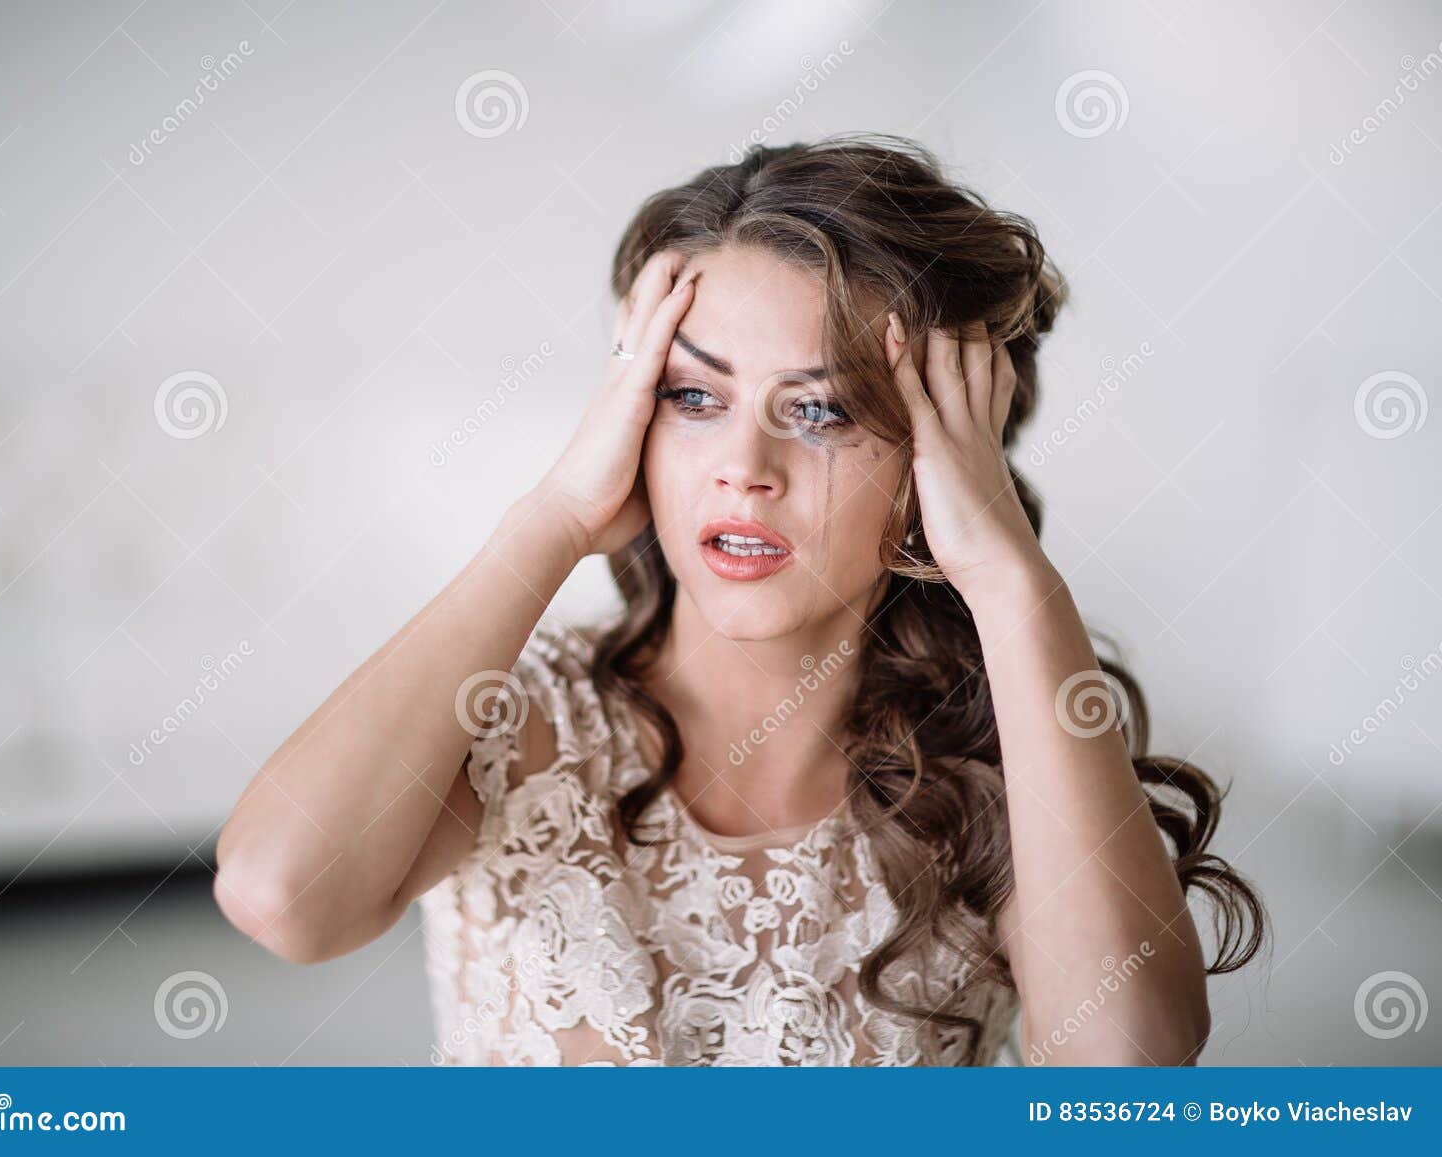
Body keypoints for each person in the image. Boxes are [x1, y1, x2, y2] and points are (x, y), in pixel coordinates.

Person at [213, 132, 1266, 1066]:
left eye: (821, 411)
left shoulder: (999, 767)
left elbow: (1128, 1069)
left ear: (941, 466)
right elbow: (279, 894)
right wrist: (553, 518)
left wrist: (1008, 576)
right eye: (692, 396)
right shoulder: (517, 722)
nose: (744, 468)